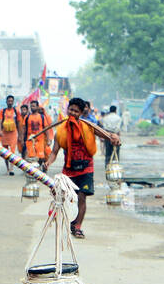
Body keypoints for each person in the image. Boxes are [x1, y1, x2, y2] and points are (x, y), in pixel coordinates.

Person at [48, 97, 120, 239]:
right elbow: (54, 151)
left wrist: (113, 137)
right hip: (69, 169)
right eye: (71, 110)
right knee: (65, 197)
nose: (72, 113)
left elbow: (105, 135)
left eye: (76, 111)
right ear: (67, 110)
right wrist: (48, 162)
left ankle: (78, 226)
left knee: (82, 197)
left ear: (81, 112)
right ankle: (70, 221)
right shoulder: (61, 130)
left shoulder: (88, 126)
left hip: (86, 168)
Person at [23, 101, 50, 169]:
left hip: (40, 140)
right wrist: (23, 140)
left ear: (37, 107)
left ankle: (40, 168)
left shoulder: (42, 117)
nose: (32, 107)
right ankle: (34, 171)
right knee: (31, 157)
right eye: (31, 106)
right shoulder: (27, 117)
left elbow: (46, 129)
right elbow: (24, 129)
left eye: (34, 106)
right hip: (30, 141)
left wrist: (48, 139)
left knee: (41, 157)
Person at [0, 94, 20, 175]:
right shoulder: (2, 111)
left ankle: (11, 168)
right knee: (5, 153)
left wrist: (20, 134)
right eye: (9, 101)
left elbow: (18, 123)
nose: (10, 102)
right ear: (6, 102)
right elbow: (0, 121)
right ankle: (7, 168)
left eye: (11, 101)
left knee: (12, 152)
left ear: (13, 102)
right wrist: (0, 131)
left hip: (13, 133)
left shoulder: (16, 111)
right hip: (4, 134)